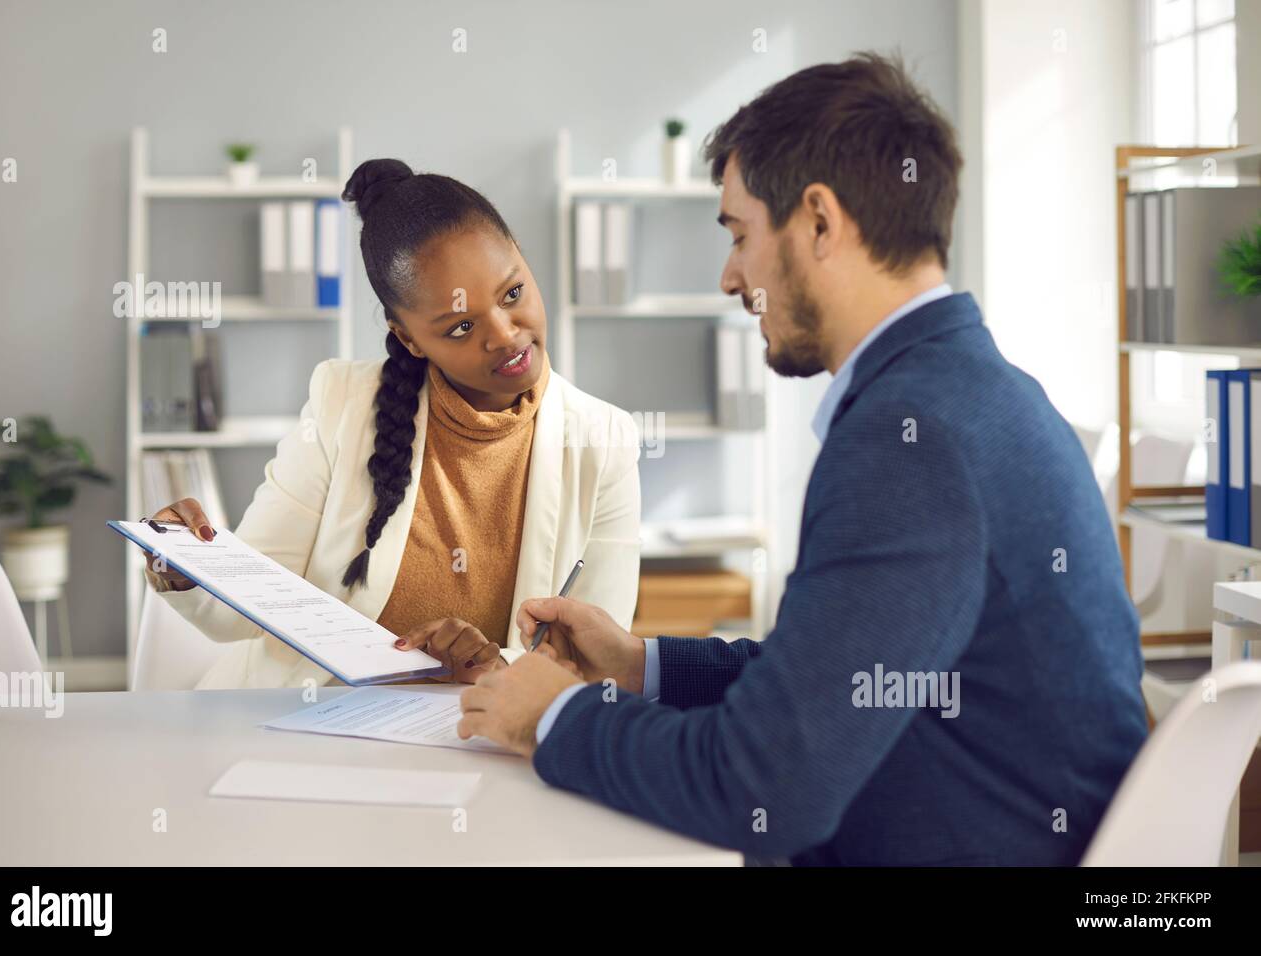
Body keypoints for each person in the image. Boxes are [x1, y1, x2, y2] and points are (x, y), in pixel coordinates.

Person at [452, 54, 1149, 866]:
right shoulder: (971, 391)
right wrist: (641, 666)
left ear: (819, 222)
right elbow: (836, 679)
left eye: (740, 235)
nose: (729, 276)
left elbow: (761, 787)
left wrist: (557, 717)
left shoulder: (908, 439)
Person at [143, 160, 641, 689]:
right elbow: (243, 609)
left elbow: (596, 662)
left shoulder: (602, 441)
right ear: (408, 338)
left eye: (512, 293)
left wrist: (497, 669)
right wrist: (182, 561)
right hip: (312, 727)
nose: (505, 335)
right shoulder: (342, 406)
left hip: (479, 740)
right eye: (463, 326)